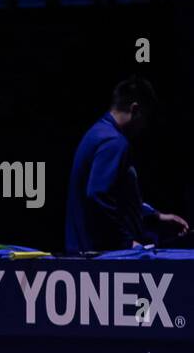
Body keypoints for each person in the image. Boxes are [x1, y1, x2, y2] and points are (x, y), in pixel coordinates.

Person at [65, 76, 188, 252]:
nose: (144, 127)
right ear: (135, 109)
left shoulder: (99, 132)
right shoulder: (113, 141)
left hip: (90, 253)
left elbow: (119, 197)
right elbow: (99, 195)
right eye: (145, 118)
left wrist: (156, 216)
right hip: (98, 258)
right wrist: (124, 243)